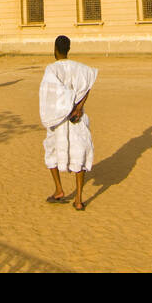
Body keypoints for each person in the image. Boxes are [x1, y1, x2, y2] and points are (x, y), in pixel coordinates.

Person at [39, 34, 98, 211]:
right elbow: (88, 85)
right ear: (69, 49)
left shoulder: (51, 70)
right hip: (76, 119)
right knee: (79, 153)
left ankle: (59, 189)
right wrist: (78, 106)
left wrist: (63, 108)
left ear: (55, 50)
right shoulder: (80, 68)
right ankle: (78, 199)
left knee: (52, 153)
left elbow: (47, 94)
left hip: (59, 120)